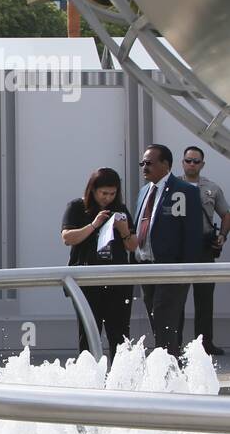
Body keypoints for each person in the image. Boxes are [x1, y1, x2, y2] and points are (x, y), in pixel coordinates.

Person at [61, 167, 139, 359]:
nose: (107, 198)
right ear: (93, 190)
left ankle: (119, 380)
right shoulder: (77, 207)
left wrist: (124, 230)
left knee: (120, 335)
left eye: (112, 194)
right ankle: (90, 379)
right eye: (104, 193)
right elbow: (67, 238)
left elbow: (132, 245)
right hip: (87, 281)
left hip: (117, 281)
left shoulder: (120, 209)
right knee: (88, 333)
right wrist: (94, 224)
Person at [133, 143, 203, 355]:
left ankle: (166, 363)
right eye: (142, 163)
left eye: (149, 163)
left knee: (164, 314)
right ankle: (170, 359)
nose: (144, 167)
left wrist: (186, 270)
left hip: (172, 267)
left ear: (165, 164)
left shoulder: (185, 191)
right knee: (157, 315)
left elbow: (192, 233)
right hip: (146, 266)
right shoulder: (144, 191)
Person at [180, 145, 230, 354]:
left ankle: (204, 344)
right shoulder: (172, 186)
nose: (192, 164)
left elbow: (226, 213)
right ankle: (173, 344)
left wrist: (222, 236)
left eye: (196, 161)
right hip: (179, 247)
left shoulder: (212, 188)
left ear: (202, 164)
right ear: (182, 162)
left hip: (204, 246)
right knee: (176, 299)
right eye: (188, 160)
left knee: (204, 298)